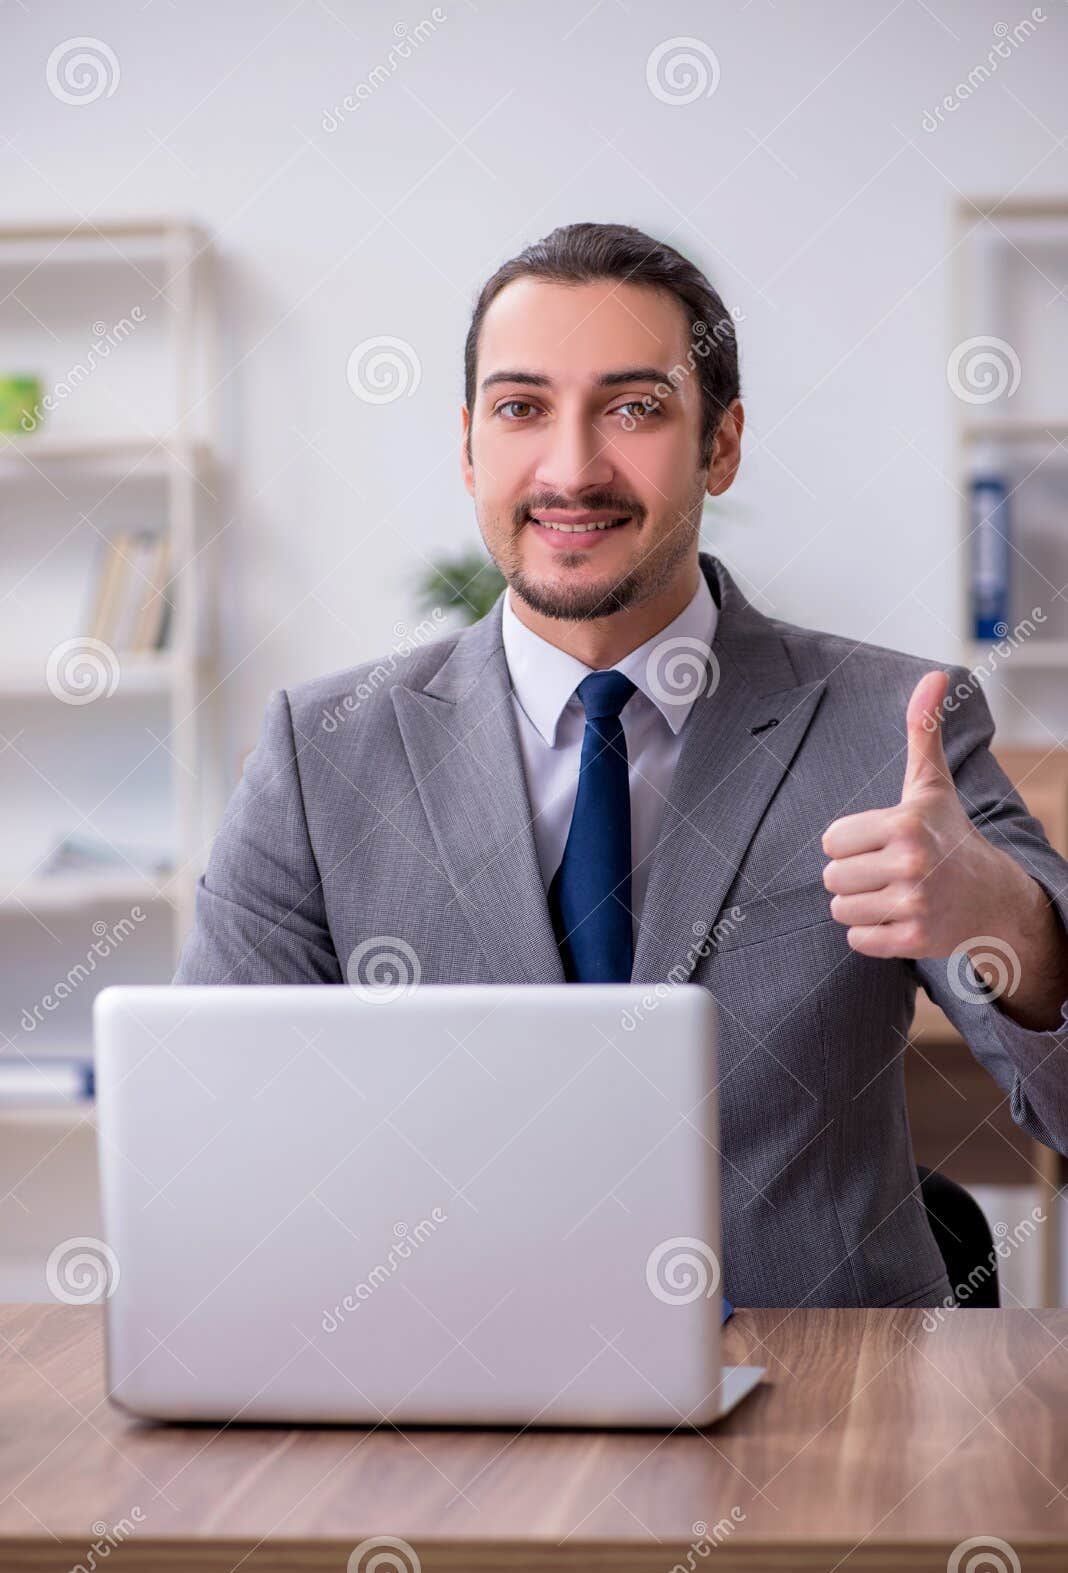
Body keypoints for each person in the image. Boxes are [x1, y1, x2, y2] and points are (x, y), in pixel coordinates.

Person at [175, 222, 1068, 1308]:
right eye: (521, 408)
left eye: (635, 407)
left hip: (824, 1414)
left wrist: (1014, 925)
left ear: (721, 444)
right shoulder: (324, 757)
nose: (571, 468)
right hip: (445, 1412)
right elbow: (209, 1146)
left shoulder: (899, 725)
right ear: (468, 448)